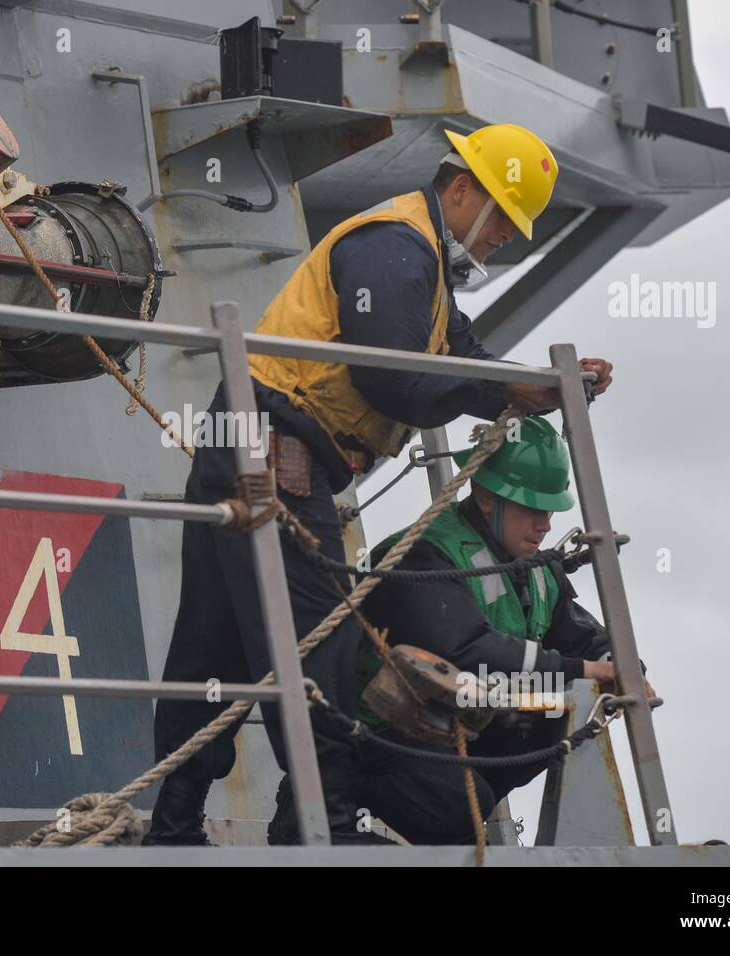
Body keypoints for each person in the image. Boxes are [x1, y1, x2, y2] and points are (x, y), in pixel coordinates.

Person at [145, 122, 614, 845]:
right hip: (278, 463)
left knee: (215, 653)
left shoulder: (419, 261)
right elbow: (390, 378)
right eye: (502, 223)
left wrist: (532, 389)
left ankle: (172, 832)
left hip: (246, 451)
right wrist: (498, 390)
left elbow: (459, 355)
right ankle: (317, 834)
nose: (504, 242)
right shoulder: (395, 249)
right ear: (461, 190)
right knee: (320, 660)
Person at [278, 416, 654, 844]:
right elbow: (467, 650)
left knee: (562, 718)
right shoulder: (424, 555)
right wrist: (585, 671)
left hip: (451, 730)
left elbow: (582, 634)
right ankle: (315, 811)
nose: (546, 524)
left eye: (549, 510)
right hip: (376, 737)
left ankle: (465, 803)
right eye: (532, 508)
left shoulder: (536, 570)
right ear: (487, 498)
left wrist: (620, 666)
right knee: (456, 808)